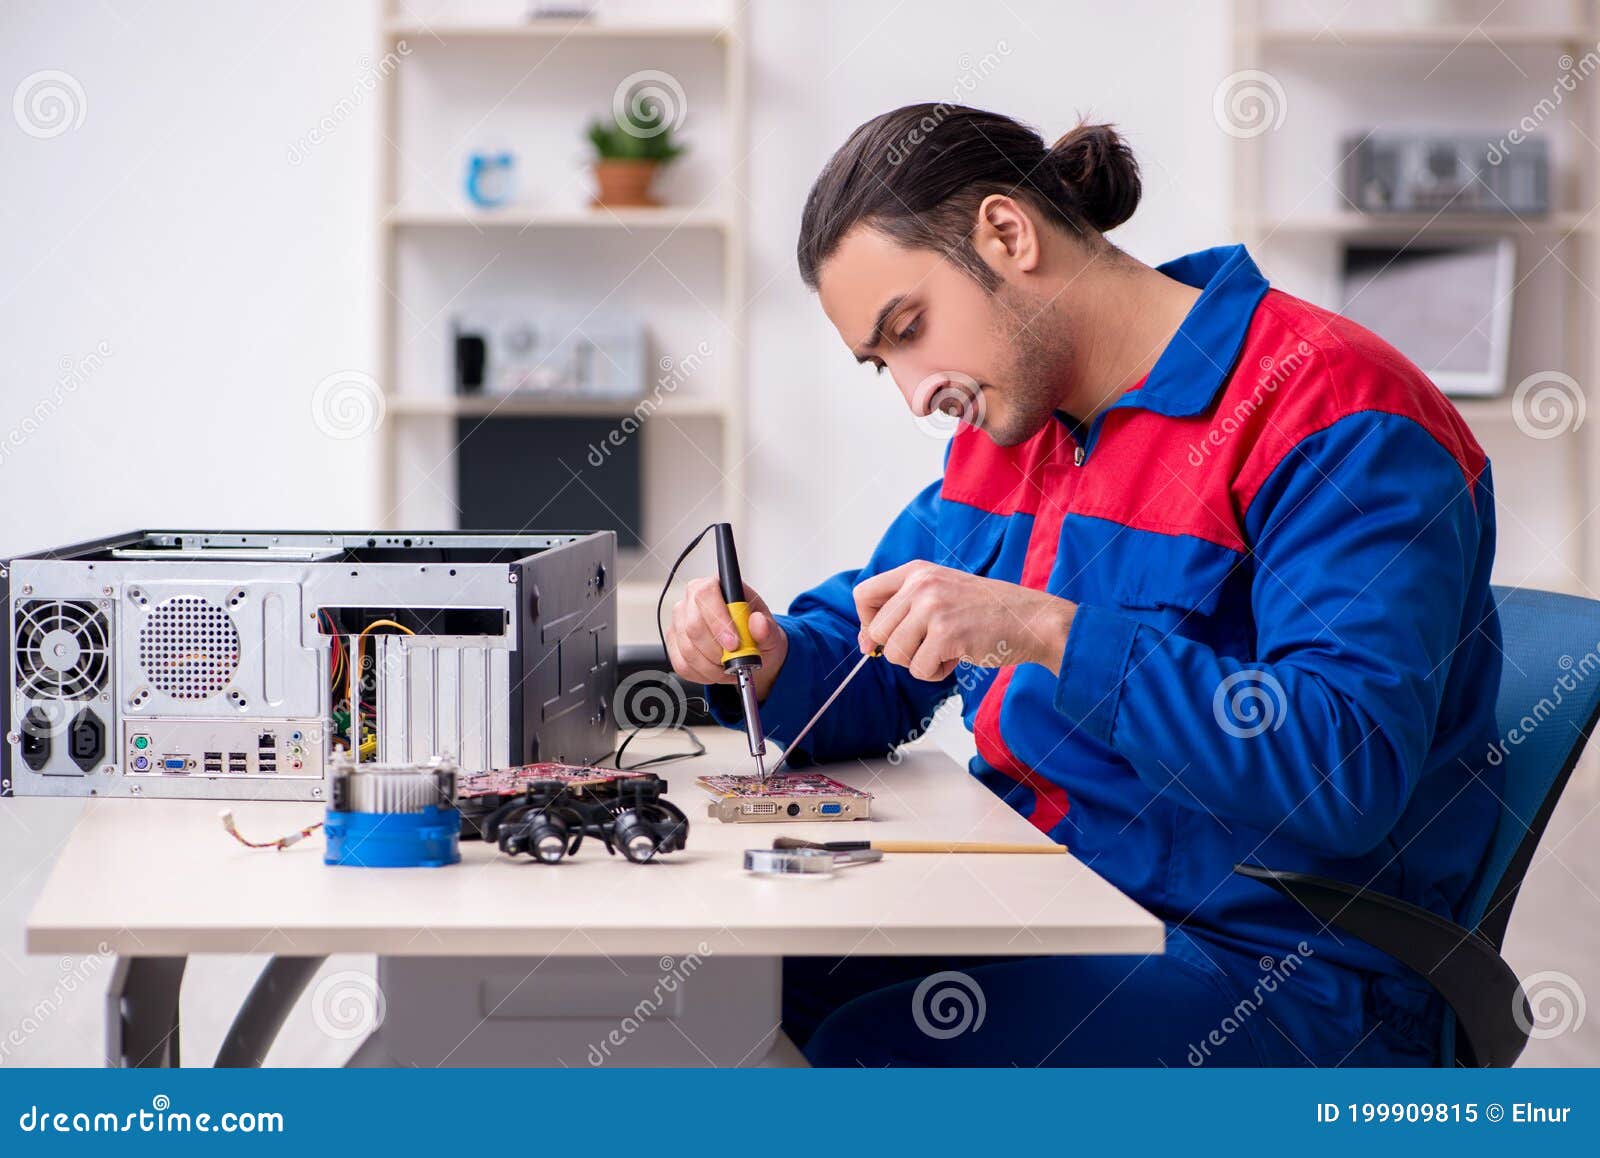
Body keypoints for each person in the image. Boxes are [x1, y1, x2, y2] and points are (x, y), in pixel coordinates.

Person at [664, 104, 1502, 1067]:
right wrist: (766, 659)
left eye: (910, 330)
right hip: (1055, 902)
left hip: (1280, 974)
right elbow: (881, 657)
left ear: (1007, 233)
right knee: (732, 980)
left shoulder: (1337, 413)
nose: (914, 392)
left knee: (875, 1050)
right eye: (880, 361)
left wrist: (1052, 631)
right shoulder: (1014, 431)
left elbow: (1344, 769)